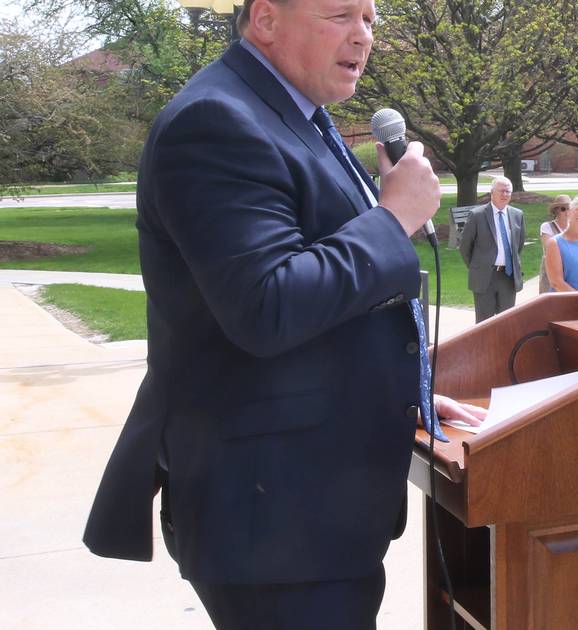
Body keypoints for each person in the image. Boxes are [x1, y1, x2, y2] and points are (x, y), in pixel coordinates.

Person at [81, 0, 486, 626]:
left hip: (310, 516)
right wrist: (394, 218)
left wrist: (403, 390)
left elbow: (321, 301)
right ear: (266, 21)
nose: (363, 36)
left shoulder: (296, 116)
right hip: (274, 529)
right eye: (340, 15)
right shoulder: (217, 121)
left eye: (370, 19)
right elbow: (266, 304)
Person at [460, 176, 525, 322]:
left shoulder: (517, 215)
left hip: (508, 277)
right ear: (492, 192)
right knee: (484, 323)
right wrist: (478, 267)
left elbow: (519, 245)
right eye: (501, 191)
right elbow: (465, 247)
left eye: (508, 191)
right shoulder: (477, 215)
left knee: (506, 321)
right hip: (485, 277)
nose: (505, 194)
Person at [538, 194, 572, 293]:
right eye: (563, 209)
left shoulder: (574, 227)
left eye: (569, 208)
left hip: (570, 272)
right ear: (556, 210)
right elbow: (548, 249)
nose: (567, 212)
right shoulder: (547, 226)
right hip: (551, 273)